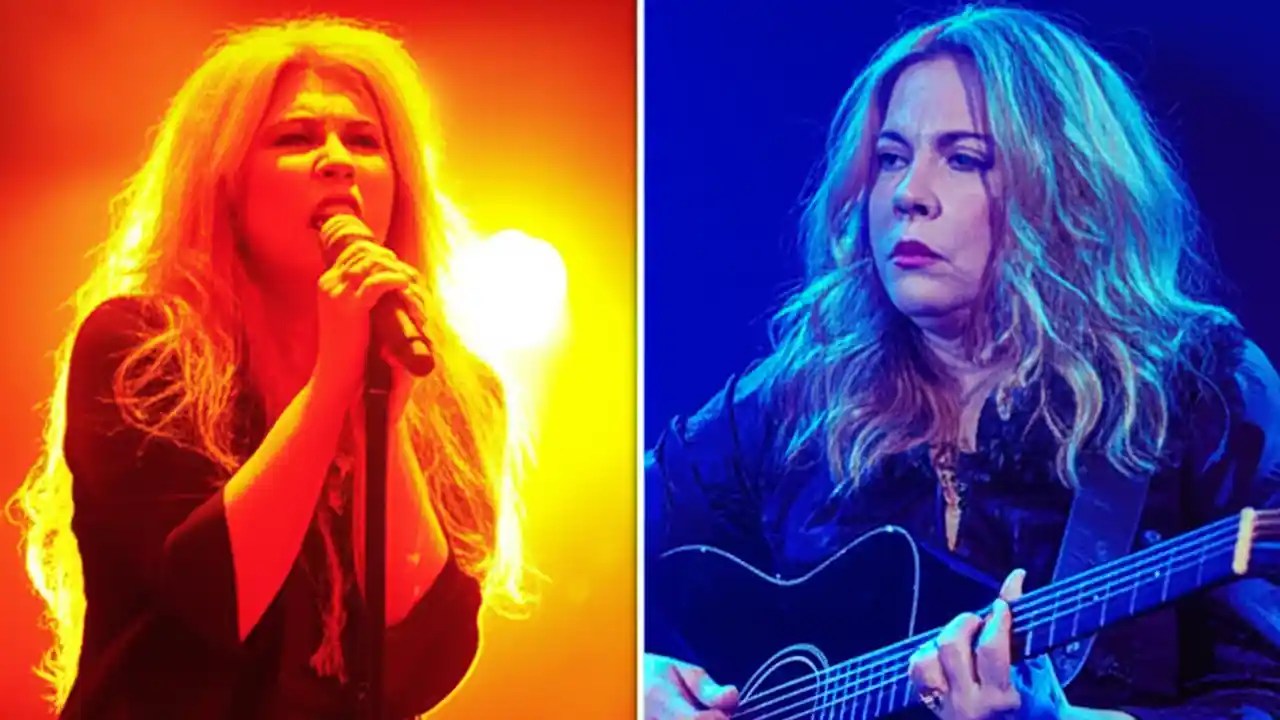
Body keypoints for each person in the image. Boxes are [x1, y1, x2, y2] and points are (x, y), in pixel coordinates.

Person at [643, 5, 1280, 720]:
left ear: (1064, 188)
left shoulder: (1200, 390)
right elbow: (587, 558)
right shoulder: (800, 398)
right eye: (890, 158)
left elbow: (1261, 697)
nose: (909, 194)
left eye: (964, 158)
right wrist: (631, 673)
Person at [9, 16, 530, 720]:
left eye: (366, 141)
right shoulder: (140, 351)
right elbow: (215, 604)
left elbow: (423, 661)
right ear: (222, 181)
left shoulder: (456, 390)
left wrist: (387, 417)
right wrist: (329, 393)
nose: (338, 159)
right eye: (295, 138)